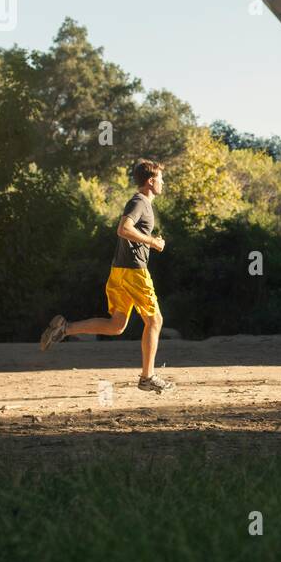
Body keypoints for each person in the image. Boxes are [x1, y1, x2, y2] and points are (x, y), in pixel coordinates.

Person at [38, 158, 175, 393]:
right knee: (155, 321)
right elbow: (123, 229)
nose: (163, 183)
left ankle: (65, 328)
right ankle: (147, 377)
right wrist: (152, 242)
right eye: (161, 179)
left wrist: (150, 241)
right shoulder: (140, 202)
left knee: (117, 325)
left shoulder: (141, 203)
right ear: (151, 181)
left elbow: (127, 231)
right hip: (134, 272)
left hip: (120, 271)